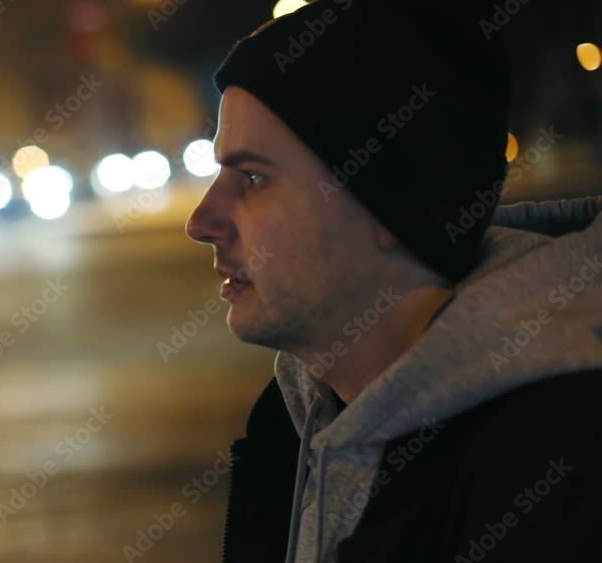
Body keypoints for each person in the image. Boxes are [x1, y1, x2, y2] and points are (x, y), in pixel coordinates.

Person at [184, 1, 602, 562]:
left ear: (387, 207)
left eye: (253, 177)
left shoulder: (553, 474)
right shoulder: (290, 424)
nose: (201, 222)